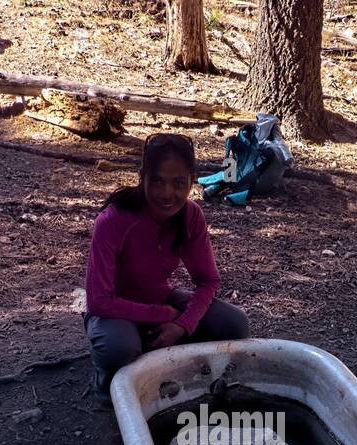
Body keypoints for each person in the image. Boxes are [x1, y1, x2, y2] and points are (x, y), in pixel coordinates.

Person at [83, 133, 249, 403]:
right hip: (112, 309)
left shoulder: (191, 215)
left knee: (234, 323)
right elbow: (99, 301)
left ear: (192, 182)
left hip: (160, 299)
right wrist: (163, 314)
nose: (167, 194)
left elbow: (208, 281)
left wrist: (182, 325)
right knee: (118, 349)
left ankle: (159, 348)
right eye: (157, 181)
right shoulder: (113, 220)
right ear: (142, 177)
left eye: (178, 183)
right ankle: (105, 378)